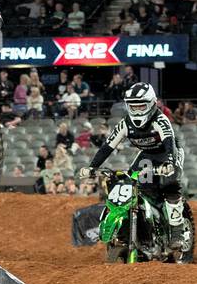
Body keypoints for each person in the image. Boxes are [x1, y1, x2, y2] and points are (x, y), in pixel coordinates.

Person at [79, 82, 190, 252]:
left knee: (170, 186)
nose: (137, 111)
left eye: (141, 106)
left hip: (169, 153)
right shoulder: (125, 124)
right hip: (146, 156)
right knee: (131, 184)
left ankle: (177, 233)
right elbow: (108, 146)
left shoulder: (160, 120)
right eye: (133, 106)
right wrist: (92, 167)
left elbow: (168, 140)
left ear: (152, 104)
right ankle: (137, 229)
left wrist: (168, 163)